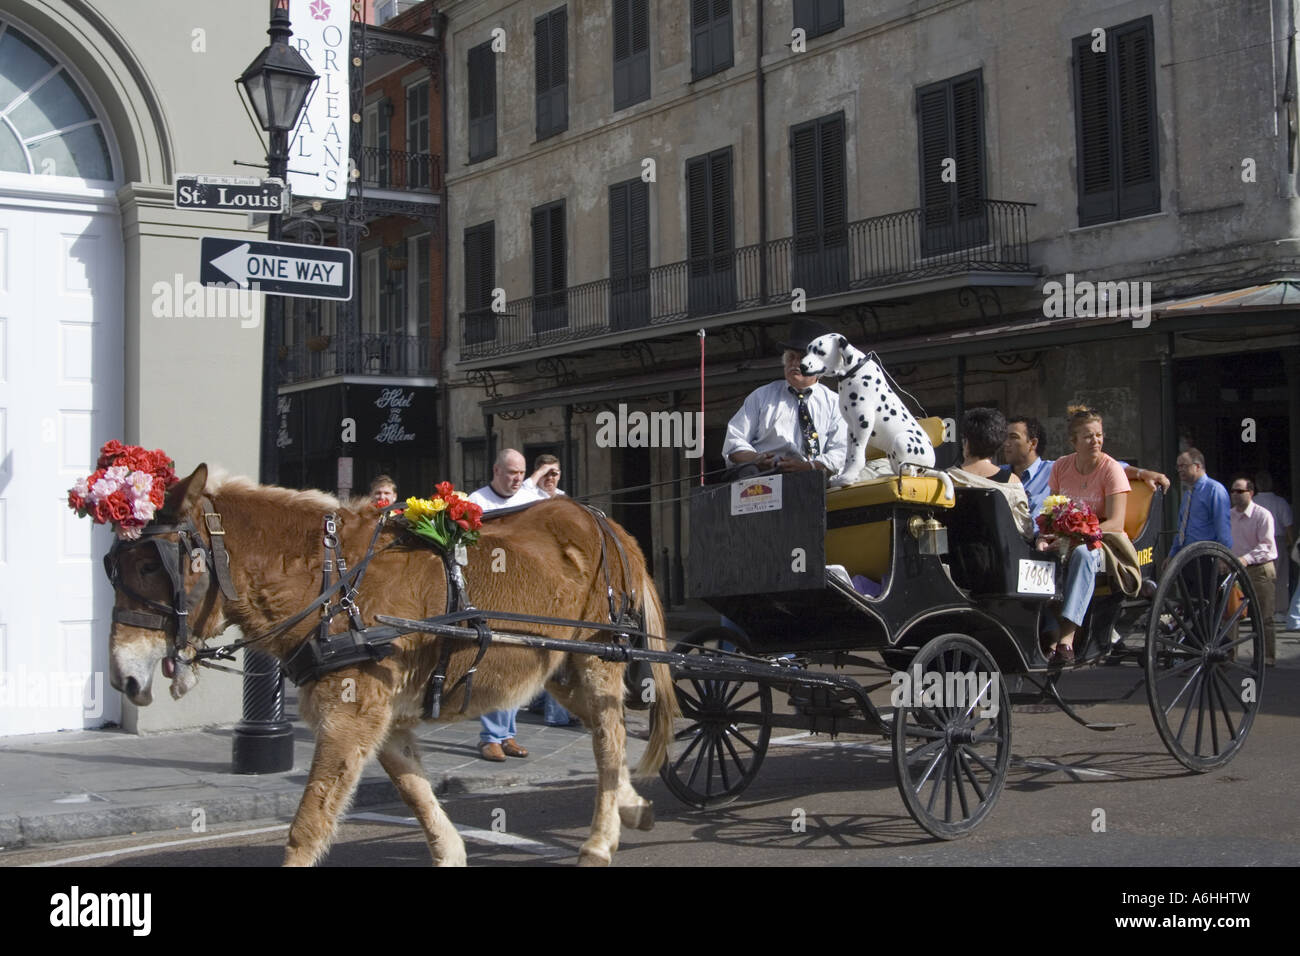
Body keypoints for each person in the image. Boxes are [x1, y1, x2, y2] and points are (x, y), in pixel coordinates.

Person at [469, 448, 548, 762]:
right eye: (512, 472)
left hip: (525, 591)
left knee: (518, 663)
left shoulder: (534, 501)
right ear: (496, 470)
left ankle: (508, 734)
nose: (517, 479)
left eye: (521, 472)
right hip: (491, 591)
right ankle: (490, 737)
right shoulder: (477, 503)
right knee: (495, 663)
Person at [1037, 408, 1130, 665]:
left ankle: (1068, 636)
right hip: (1067, 536)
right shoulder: (1061, 466)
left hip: (1103, 541)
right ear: (1073, 441)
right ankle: (1047, 630)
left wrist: (1081, 536)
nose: (1096, 441)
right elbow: (1052, 511)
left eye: (1099, 435)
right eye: (1088, 436)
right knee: (1038, 553)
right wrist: (1046, 536)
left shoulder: (1111, 469)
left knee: (1082, 554)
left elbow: (1116, 522)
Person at [722, 317, 847, 479]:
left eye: (802, 358)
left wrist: (806, 467)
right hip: (763, 477)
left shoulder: (834, 403)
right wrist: (756, 459)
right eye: (790, 357)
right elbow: (734, 442)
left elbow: (841, 451)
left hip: (811, 479)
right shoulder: (761, 396)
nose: (795, 363)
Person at [1003, 415, 1170, 518]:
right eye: (1004, 438)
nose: (1006, 443)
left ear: (1032, 443)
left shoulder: (1052, 469)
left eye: (1013, 437)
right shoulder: (998, 474)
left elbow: (1108, 466)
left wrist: (1143, 473)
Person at [521, 453, 581, 727]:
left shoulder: (563, 499)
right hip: (532, 573)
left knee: (556, 640)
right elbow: (523, 492)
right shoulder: (527, 496)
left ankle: (549, 705)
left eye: (555, 473)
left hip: (558, 574)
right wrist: (538, 473)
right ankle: (547, 706)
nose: (550, 478)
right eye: (546, 473)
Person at [948, 407, 1033, 539]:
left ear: (966, 442)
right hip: (1000, 558)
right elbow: (1025, 532)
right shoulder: (1012, 482)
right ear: (999, 443)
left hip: (950, 557)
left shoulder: (944, 479)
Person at [1228, 477, 1277, 667]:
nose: (1235, 495)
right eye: (1233, 491)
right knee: (1231, 614)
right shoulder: (1229, 515)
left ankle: (1266, 658)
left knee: (1264, 616)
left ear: (1251, 493)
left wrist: (1245, 559)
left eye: (1240, 491)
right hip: (1235, 568)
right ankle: (1229, 656)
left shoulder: (1262, 515)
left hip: (1259, 568)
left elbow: (1266, 545)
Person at [1168, 448, 1231, 559]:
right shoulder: (1188, 494)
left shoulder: (1214, 490)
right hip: (1186, 557)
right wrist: (1172, 555)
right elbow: (1181, 529)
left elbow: (1222, 527)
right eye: (1178, 467)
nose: (1180, 470)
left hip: (1207, 555)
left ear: (1197, 466)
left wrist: (1224, 557)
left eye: (1183, 466)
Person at [1252, 471, 1294, 617]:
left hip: (1257, 542)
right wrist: (1290, 544)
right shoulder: (1280, 502)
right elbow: (1288, 526)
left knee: (1259, 578)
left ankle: (1259, 610)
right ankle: (1280, 610)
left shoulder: (1253, 502)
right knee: (1280, 578)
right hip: (1278, 541)